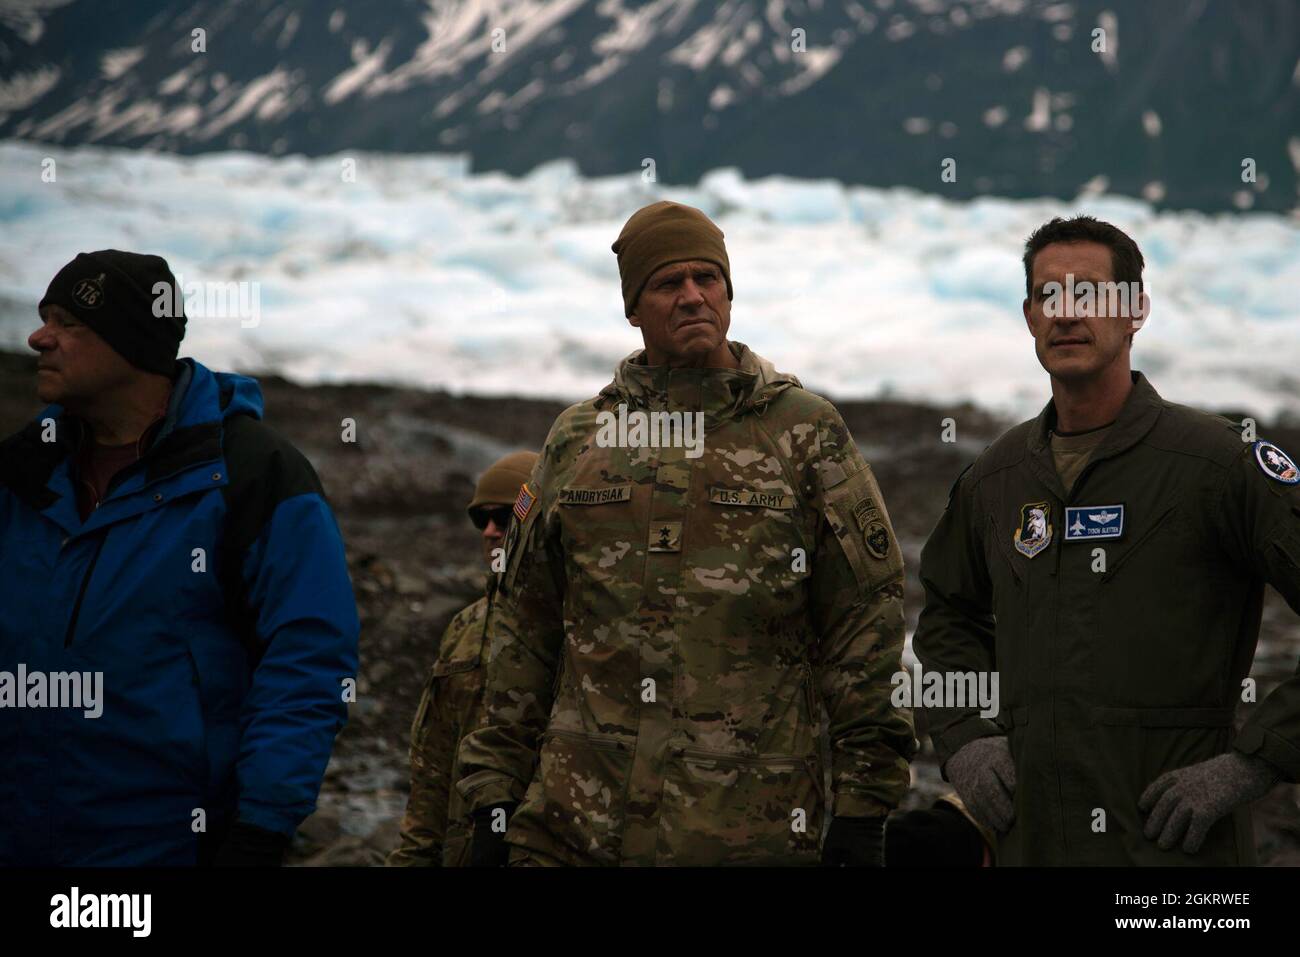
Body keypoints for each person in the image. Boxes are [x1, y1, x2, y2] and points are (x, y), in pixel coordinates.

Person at [456, 200, 915, 866]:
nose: (694, 296)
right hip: (573, 827)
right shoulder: (580, 437)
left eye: (710, 278)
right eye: (670, 283)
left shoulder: (803, 431)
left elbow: (864, 625)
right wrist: (492, 798)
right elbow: (522, 629)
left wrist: (863, 808)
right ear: (634, 307)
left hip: (743, 830)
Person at [913, 216, 1300, 865]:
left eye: (1089, 294)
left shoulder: (1217, 465)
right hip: (1033, 840)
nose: (1067, 314)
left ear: (1135, 311)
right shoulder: (998, 477)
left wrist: (1253, 762)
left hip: (1170, 849)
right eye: (1049, 296)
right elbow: (949, 612)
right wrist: (965, 736)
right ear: (1029, 315)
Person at [0, 250, 359, 866]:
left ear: (132, 344)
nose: (38, 338)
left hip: (162, 849)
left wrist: (262, 826)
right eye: (42, 317)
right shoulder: (21, 471)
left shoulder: (252, 474)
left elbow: (308, 659)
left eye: (67, 323)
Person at [387, 451, 537, 867]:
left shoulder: (578, 625)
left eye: (504, 518)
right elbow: (433, 763)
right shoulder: (465, 627)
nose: (490, 532)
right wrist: (413, 856)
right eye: (479, 520)